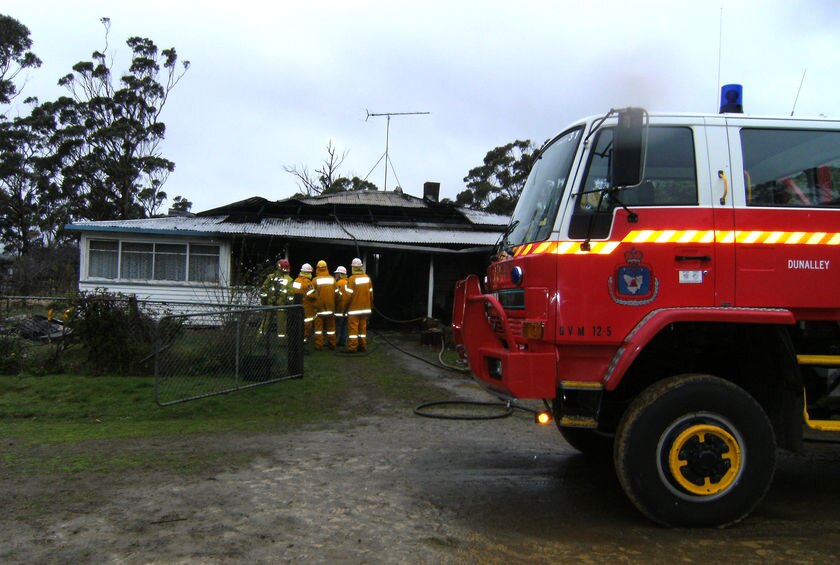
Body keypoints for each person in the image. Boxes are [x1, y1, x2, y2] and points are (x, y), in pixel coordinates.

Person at [258, 258, 294, 338]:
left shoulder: (271, 277)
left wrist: (264, 301)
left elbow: (263, 289)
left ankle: (260, 339)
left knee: (265, 322)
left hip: (269, 303)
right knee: (281, 324)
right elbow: (290, 294)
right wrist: (290, 305)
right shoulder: (289, 280)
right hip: (282, 305)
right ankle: (281, 342)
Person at [343, 257, 373, 353]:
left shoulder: (351, 279)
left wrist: (344, 307)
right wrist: (371, 306)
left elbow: (348, 296)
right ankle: (362, 346)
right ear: (361, 267)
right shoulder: (367, 278)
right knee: (362, 329)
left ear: (353, 268)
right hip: (365, 309)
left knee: (353, 330)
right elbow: (371, 294)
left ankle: (352, 348)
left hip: (354, 309)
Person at [312, 259, 337, 350]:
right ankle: (332, 345)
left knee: (318, 329)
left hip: (319, 309)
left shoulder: (315, 280)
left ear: (317, 268)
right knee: (331, 329)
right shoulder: (332, 279)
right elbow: (337, 294)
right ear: (326, 268)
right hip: (331, 308)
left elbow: (310, 294)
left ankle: (319, 346)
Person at [292, 263, 317, 344]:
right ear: (309, 273)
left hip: (297, 305)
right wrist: (316, 294)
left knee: (298, 323)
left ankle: (297, 339)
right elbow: (312, 295)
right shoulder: (308, 283)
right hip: (307, 307)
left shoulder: (296, 280)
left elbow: (294, 292)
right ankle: (304, 340)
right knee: (307, 323)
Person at [333, 265, 349, 347]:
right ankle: (343, 341)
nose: (335, 275)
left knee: (338, 326)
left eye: (337, 274)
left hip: (339, 309)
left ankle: (335, 342)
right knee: (345, 326)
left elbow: (336, 296)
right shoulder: (348, 282)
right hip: (347, 309)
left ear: (340, 274)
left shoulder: (338, 283)